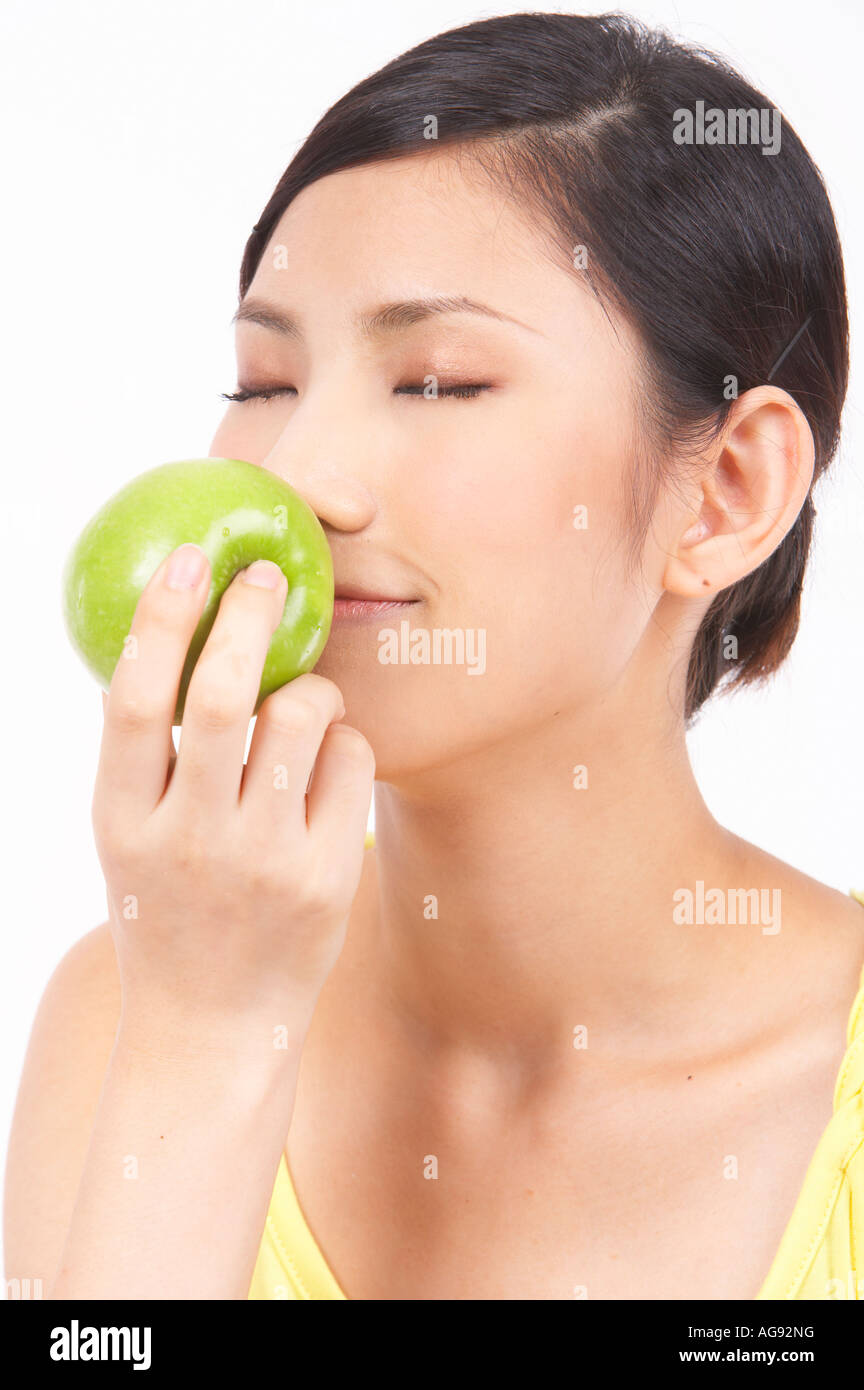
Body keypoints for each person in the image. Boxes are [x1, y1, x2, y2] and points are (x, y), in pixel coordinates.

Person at [5, 11, 863, 1301]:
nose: (296, 478)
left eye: (441, 382)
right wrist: (203, 1041)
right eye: (262, 383)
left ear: (728, 493)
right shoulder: (133, 1002)